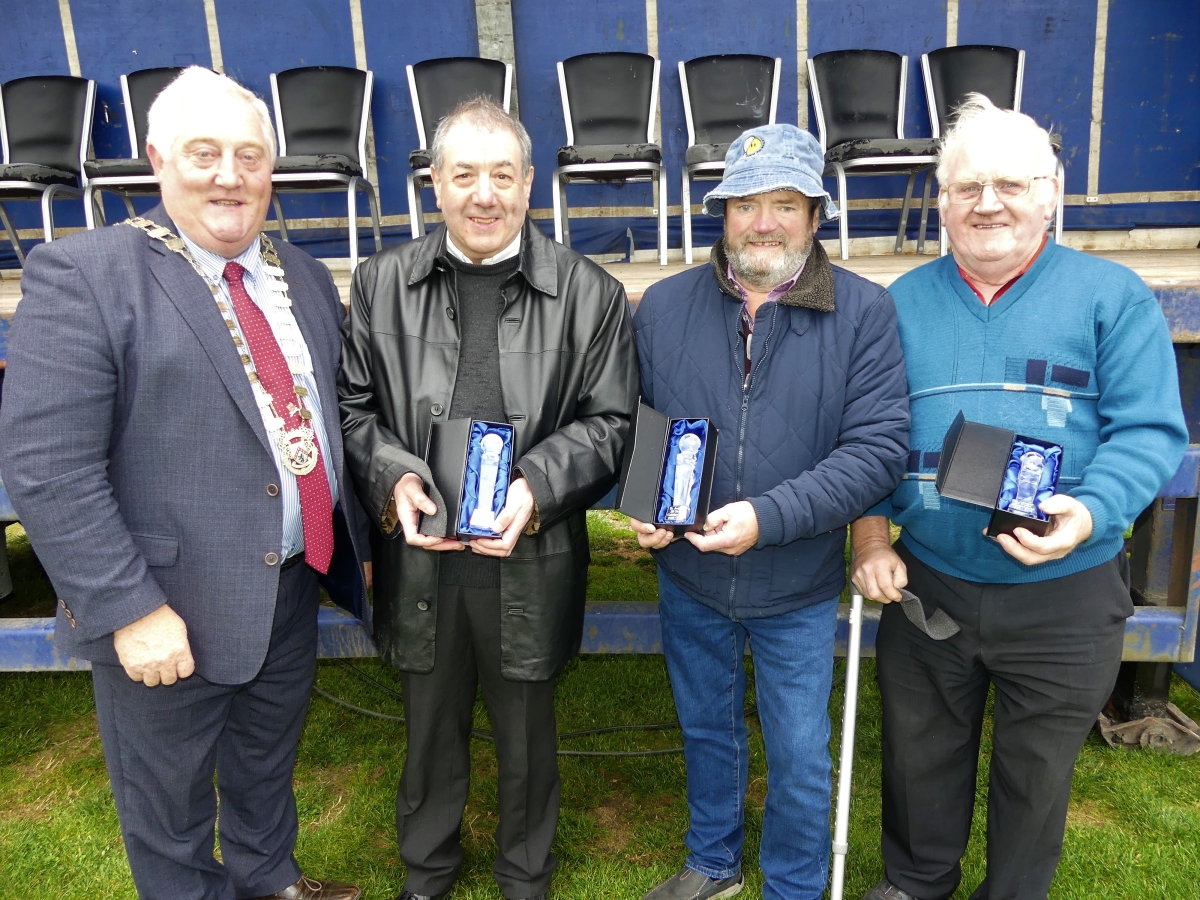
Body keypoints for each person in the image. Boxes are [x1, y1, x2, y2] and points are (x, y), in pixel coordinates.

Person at [0, 67, 368, 900]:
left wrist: (354, 544)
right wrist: (128, 609)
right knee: (165, 809)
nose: (229, 176)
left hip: (286, 587)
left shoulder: (302, 276)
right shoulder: (85, 273)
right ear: (158, 159)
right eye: (206, 153)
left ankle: (270, 879)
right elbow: (47, 466)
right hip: (166, 605)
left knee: (266, 763)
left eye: (250, 155)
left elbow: (324, 425)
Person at [850, 95, 1188, 900]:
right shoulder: (896, 305)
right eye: (967, 187)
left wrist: (1090, 511)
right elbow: (861, 439)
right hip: (928, 579)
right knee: (919, 755)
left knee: (1034, 777)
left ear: (1050, 194)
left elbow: (1149, 432)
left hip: (1063, 592)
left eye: (1011, 183)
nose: (988, 203)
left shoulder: (1113, 296)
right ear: (941, 202)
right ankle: (918, 884)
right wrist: (869, 538)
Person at [337, 97, 638, 900]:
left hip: (531, 550)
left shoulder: (590, 294)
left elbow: (611, 425)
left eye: (502, 174)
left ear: (529, 183)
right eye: (464, 174)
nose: (483, 193)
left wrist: (536, 487)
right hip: (422, 554)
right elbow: (352, 410)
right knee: (428, 728)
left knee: (528, 735)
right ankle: (427, 870)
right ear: (434, 183)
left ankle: (526, 875)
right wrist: (390, 474)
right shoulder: (379, 284)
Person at [629, 124, 910, 900]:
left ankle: (793, 883)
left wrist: (768, 516)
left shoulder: (864, 313)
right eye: (745, 204)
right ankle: (712, 862)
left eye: (784, 204)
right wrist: (649, 507)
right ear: (721, 215)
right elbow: (640, 424)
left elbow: (877, 450)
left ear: (816, 215)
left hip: (798, 579)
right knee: (705, 727)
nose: (763, 222)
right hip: (690, 576)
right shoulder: (662, 307)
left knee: (799, 750)